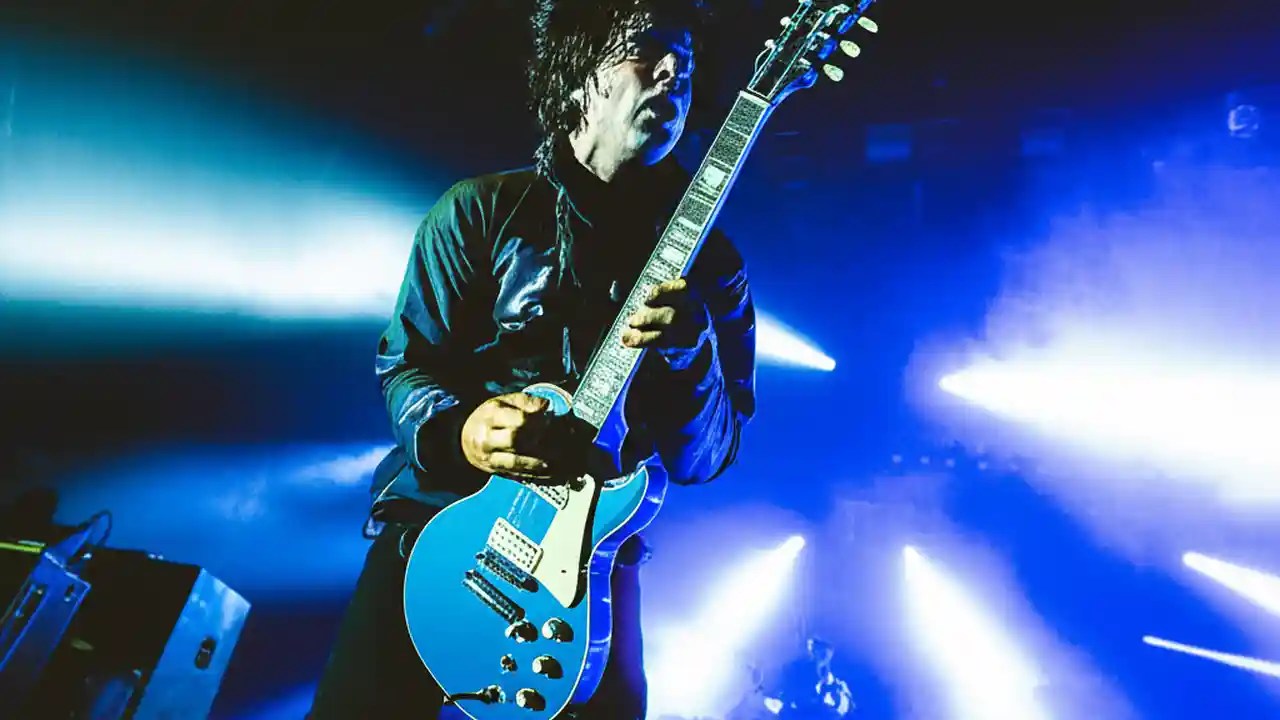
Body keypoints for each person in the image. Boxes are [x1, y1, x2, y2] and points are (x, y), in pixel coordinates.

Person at [308, 0, 757, 718]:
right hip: (439, 539)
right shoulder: (479, 212)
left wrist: (691, 349)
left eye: (688, 62)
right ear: (579, 70)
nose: (674, 71)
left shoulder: (715, 266)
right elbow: (405, 364)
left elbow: (709, 456)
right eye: (645, 49)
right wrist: (465, 431)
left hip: (589, 570)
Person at [768, 637, 856, 719]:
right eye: (823, 654)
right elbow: (795, 693)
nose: (826, 659)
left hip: (817, 710)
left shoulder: (827, 674)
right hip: (801, 710)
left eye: (828, 656)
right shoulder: (801, 670)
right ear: (815, 652)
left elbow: (828, 692)